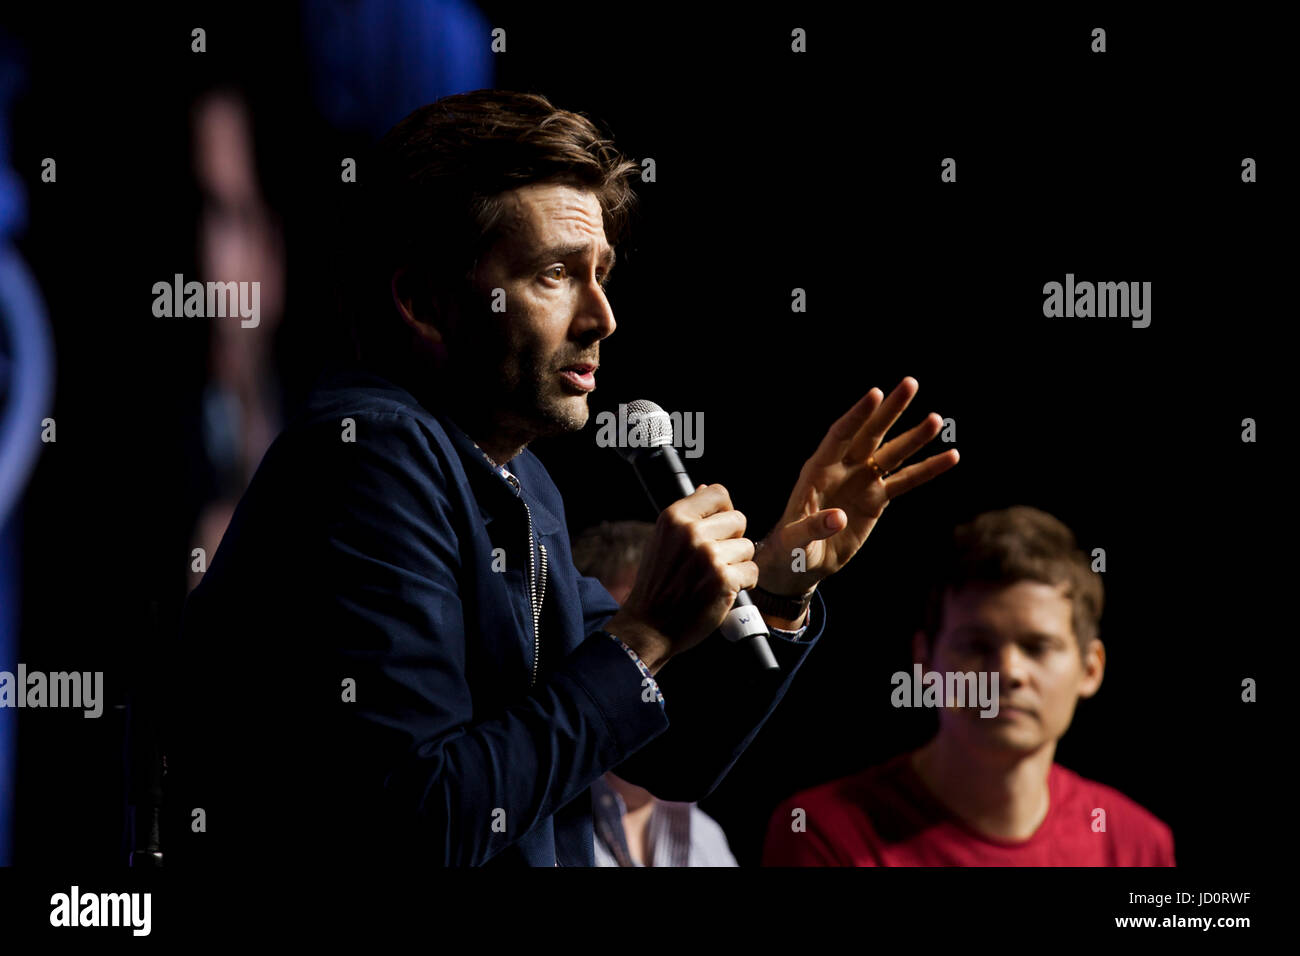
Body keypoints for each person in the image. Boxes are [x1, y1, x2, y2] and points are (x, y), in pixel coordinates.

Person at [165, 89, 959, 868]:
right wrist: (644, 633)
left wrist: (780, 584)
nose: (602, 316)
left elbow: (664, 756)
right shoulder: (368, 459)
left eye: (602, 272)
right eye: (555, 273)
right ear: (424, 301)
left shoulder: (520, 480)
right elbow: (421, 822)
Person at [762, 506, 1175, 866]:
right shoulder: (821, 833)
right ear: (925, 660)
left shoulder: (1136, 842)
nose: (1008, 672)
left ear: (1090, 669)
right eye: (977, 645)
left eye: (1038, 647)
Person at [573, 520, 738, 867]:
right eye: (640, 630)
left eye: (683, 630)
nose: (665, 657)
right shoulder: (540, 825)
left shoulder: (706, 838)